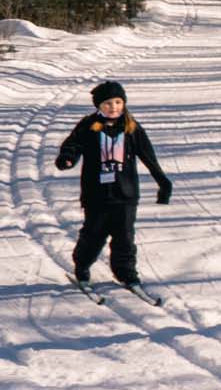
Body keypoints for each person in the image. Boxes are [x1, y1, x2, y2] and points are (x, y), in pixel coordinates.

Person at [54, 81, 172, 293]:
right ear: (99, 106)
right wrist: (67, 158)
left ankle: (127, 274)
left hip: (126, 194)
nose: (114, 107)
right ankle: (82, 266)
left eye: (118, 102)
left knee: (125, 237)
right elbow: (73, 144)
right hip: (96, 194)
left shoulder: (131, 127)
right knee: (94, 234)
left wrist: (163, 183)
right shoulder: (89, 125)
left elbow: (148, 156)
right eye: (108, 103)